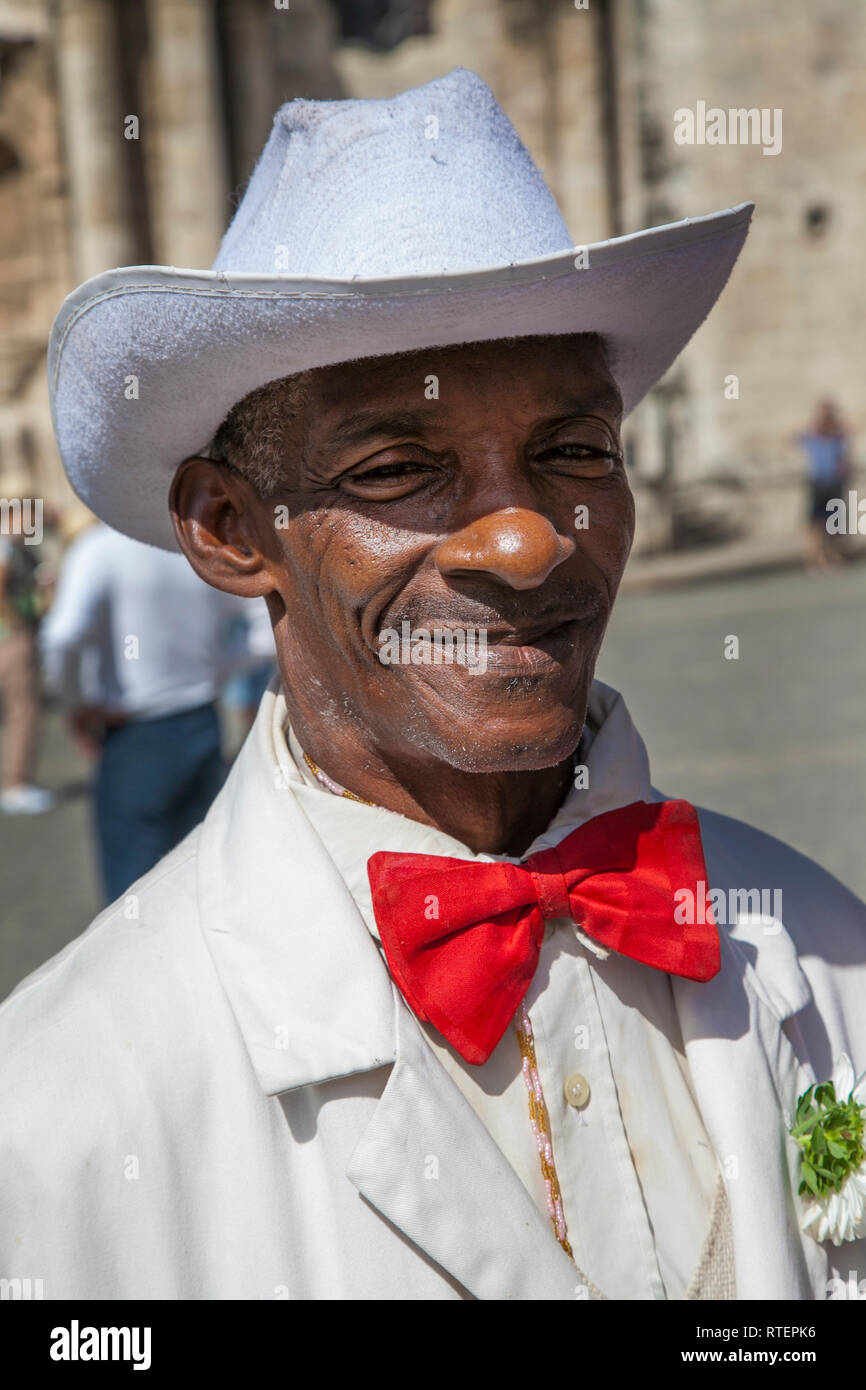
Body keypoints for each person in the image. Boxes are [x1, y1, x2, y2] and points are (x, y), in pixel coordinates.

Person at [1, 69, 864, 1301]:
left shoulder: (828, 956)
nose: (522, 543)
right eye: (401, 467)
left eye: (571, 452)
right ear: (229, 527)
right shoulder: (63, 1121)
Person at [39, 521, 273, 901]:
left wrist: (77, 702)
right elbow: (263, 628)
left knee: (132, 888)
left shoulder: (100, 548)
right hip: (202, 723)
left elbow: (62, 635)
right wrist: (215, 672)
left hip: (137, 734)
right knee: (198, 873)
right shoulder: (199, 548)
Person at [0, 479, 54, 816]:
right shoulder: (6, 545)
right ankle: (16, 783)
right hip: (10, 639)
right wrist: (15, 625)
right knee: (23, 710)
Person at [798, 399, 851, 569]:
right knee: (816, 523)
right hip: (819, 483)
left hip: (834, 483)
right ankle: (815, 557)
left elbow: (845, 456)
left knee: (835, 523)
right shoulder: (811, 436)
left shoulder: (838, 437)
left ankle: (833, 556)